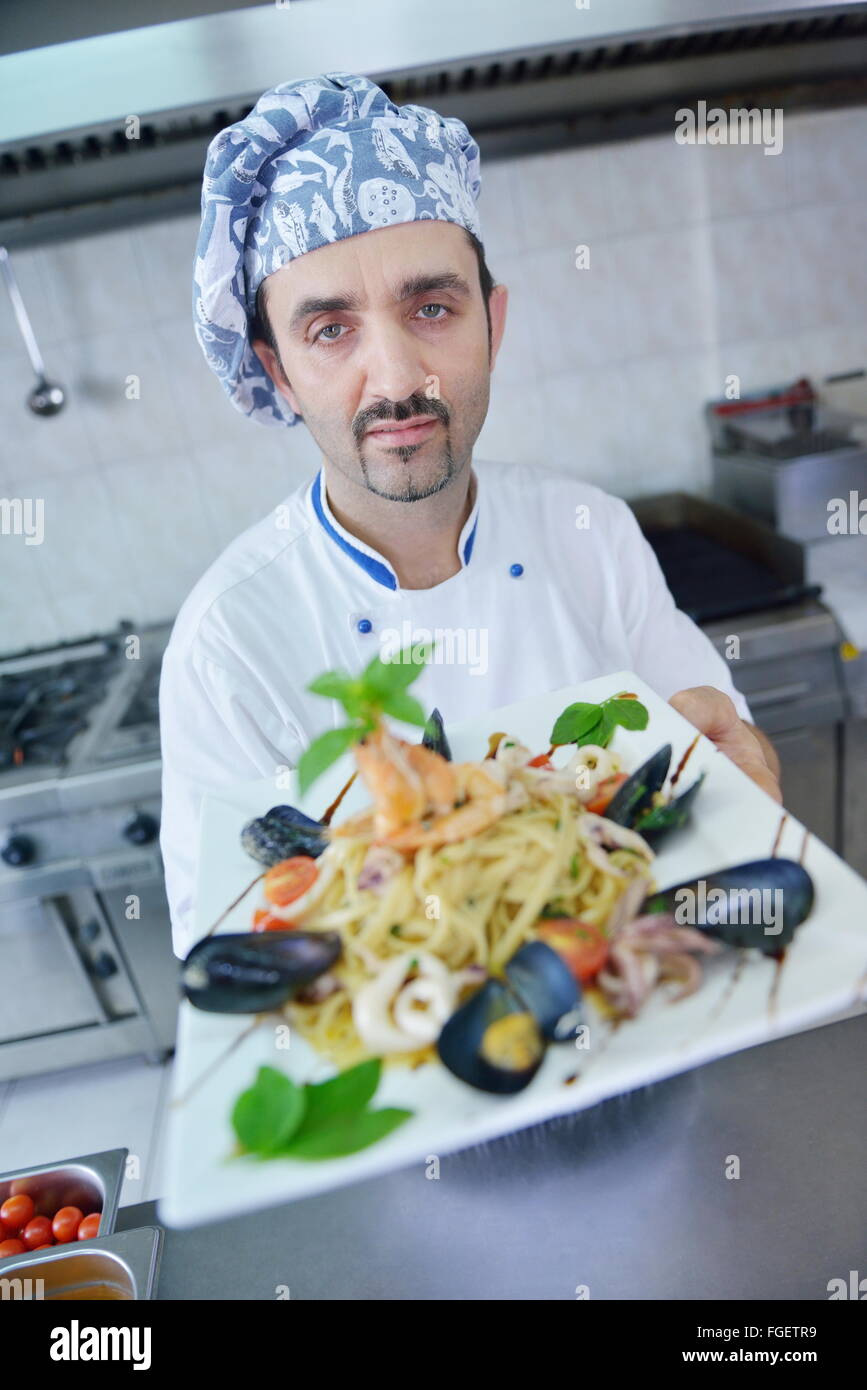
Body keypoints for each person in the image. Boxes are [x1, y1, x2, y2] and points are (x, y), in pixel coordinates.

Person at [159, 71, 781, 960]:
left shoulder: (589, 532)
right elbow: (224, 949)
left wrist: (744, 766)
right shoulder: (228, 644)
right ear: (278, 371)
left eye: (432, 308)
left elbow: (718, 767)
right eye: (331, 330)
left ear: (492, 320)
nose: (399, 377)